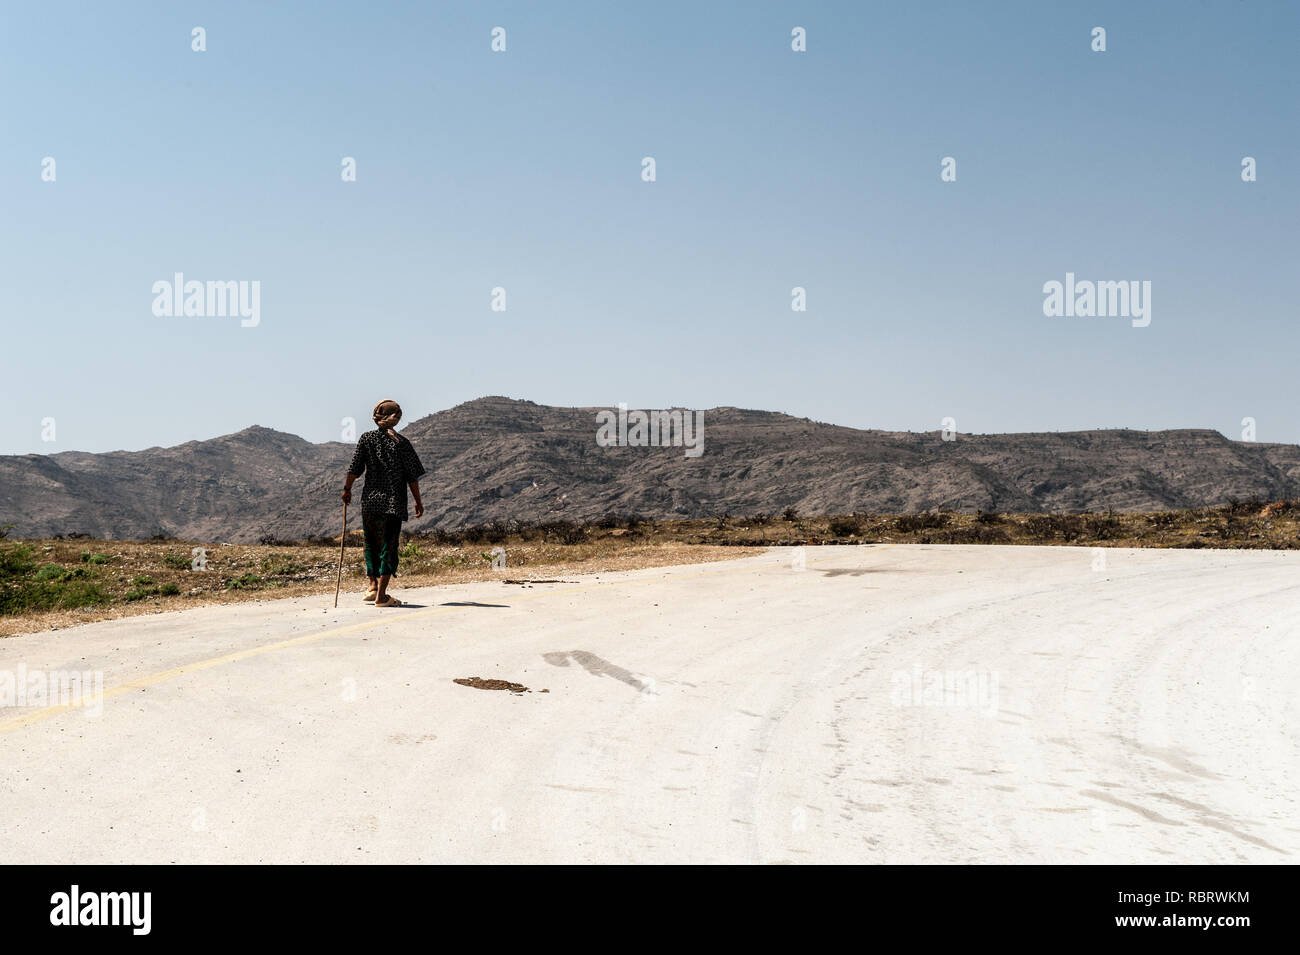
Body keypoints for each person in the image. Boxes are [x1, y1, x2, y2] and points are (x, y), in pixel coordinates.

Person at [342, 400, 426, 607]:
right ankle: (381, 596)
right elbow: (412, 477)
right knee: (388, 546)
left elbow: (355, 468)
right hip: (393, 503)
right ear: (396, 417)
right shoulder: (402, 444)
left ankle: (372, 586)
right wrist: (418, 501)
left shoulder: (367, 438)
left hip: (370, 502)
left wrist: (347, 488)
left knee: (371, 543)